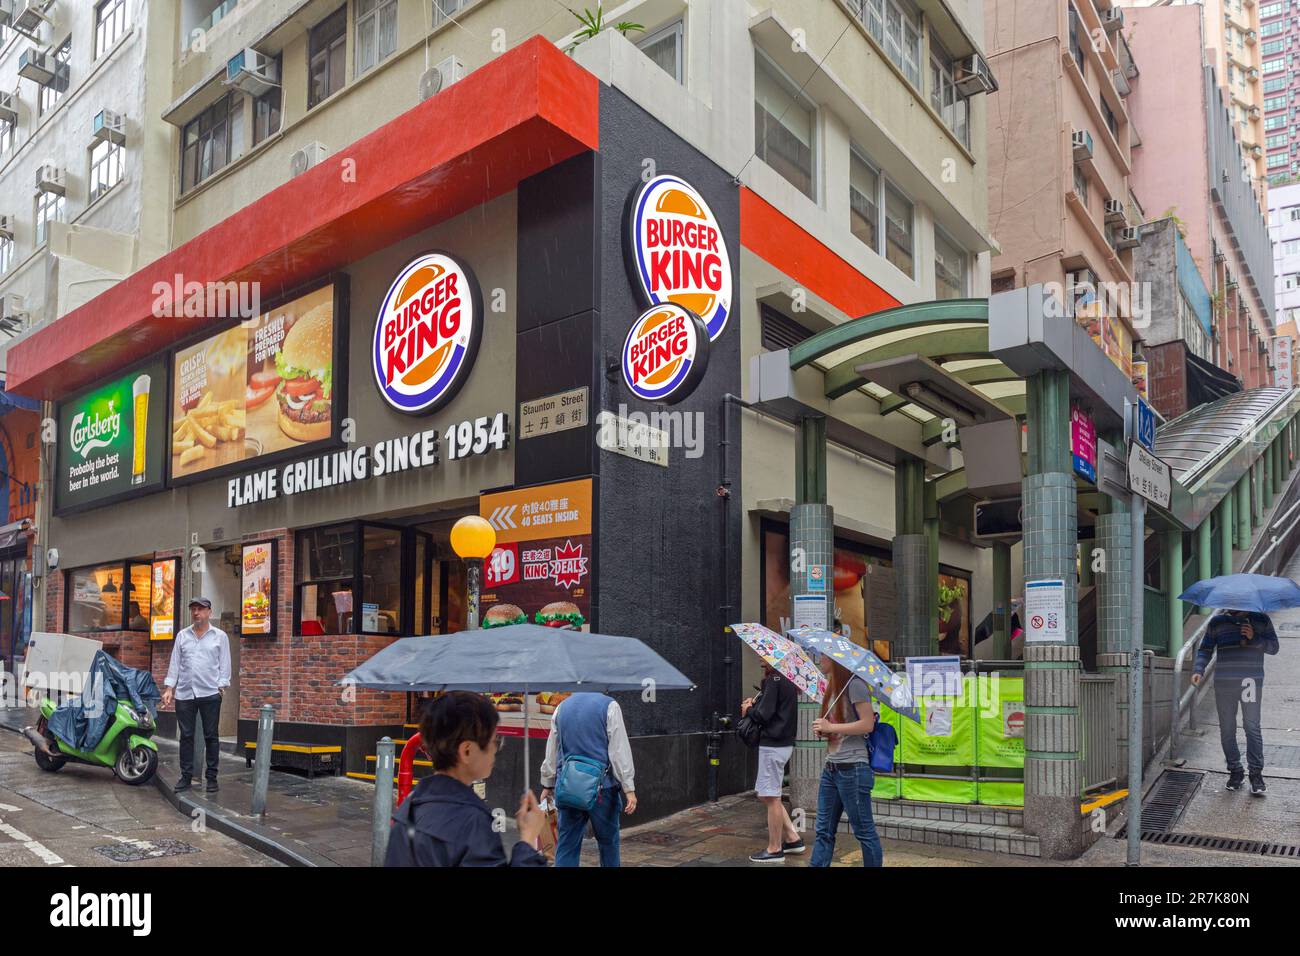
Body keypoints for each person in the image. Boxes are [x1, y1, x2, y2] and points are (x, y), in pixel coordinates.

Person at [385, 691, 548, 866]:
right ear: (467, 751)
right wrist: (528, 841)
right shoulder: (472, 823)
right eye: (495, 741)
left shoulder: (408, 809)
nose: (496, 749)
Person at [540, 692, 637, 867]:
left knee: (567, 845)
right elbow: (618, 750)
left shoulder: (562, 707)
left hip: (568, 787)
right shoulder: (609, 706)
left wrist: (547, 783)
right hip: (603, 790)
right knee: (608, 844)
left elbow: (552, 749)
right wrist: (628, 788)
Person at [1192, 608, 1279, 795]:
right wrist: (1198, 670)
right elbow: (1205, 649)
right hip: (1225, 682)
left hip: (1250, 682)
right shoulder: (1217, 622)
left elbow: (1274, 648)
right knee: (1227, 728)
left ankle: (1256, 774)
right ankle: (1235, 770)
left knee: (1252, 726)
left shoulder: (1261, 620)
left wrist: (1254, 638)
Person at [809, 652, 883, 867]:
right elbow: (840, 727)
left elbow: (867, 724)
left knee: (864, 832)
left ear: (835, 660)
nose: (820, 659)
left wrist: (831, 727)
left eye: (823, 656)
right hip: (831, 768)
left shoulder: (855, 685)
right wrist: (826, 732)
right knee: (823, 830)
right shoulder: (832, 687)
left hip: (853, 769)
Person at [161, 598, 230, 793]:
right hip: (185, 693)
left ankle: (212, 778)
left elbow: (225, 663)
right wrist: (169, 688)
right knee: (186, 736)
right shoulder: (182, 636)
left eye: (200, 609)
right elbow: (175, 663)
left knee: (211, 736)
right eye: (193, 609)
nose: (196, 613)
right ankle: (185, 776)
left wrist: (222, 685)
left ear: (209, 611)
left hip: (210, 692)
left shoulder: (220, 636)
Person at [742, 663, 802, 863]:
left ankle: (774, 849)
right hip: (783, 744)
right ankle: (793, 838)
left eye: (764, 656)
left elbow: (763, 715)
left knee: (771, 796)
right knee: (767, 795)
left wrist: (749, 708)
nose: (760, 659)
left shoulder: (774, 681)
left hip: (773, 745)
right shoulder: (787, 681)